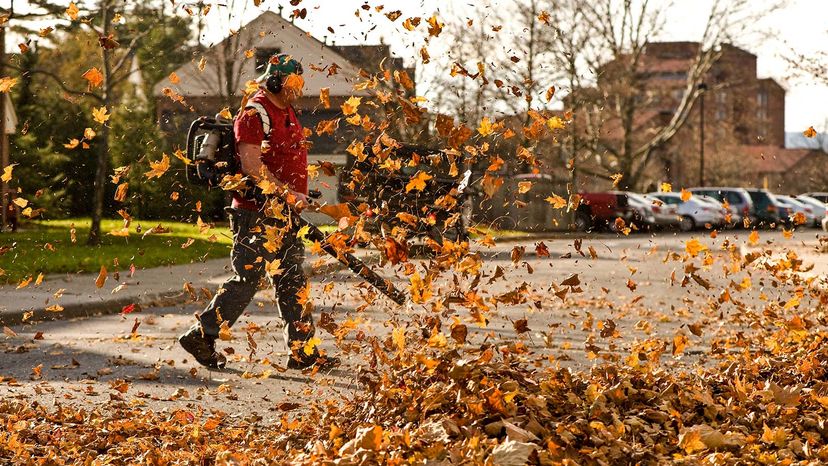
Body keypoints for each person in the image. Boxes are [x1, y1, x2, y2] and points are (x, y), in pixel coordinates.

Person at [179, 53, 338, 371]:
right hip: (256, 213)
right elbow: (252, 166)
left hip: (285, 215)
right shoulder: (255, 113)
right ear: (277, 81)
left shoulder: (288, 111)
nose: (298, 87)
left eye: (299, 81)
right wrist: (287, 192)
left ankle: (302, 352)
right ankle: (202, 335)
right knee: (248, 278)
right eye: (293, 82)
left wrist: (300, 194)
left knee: (292, 280)